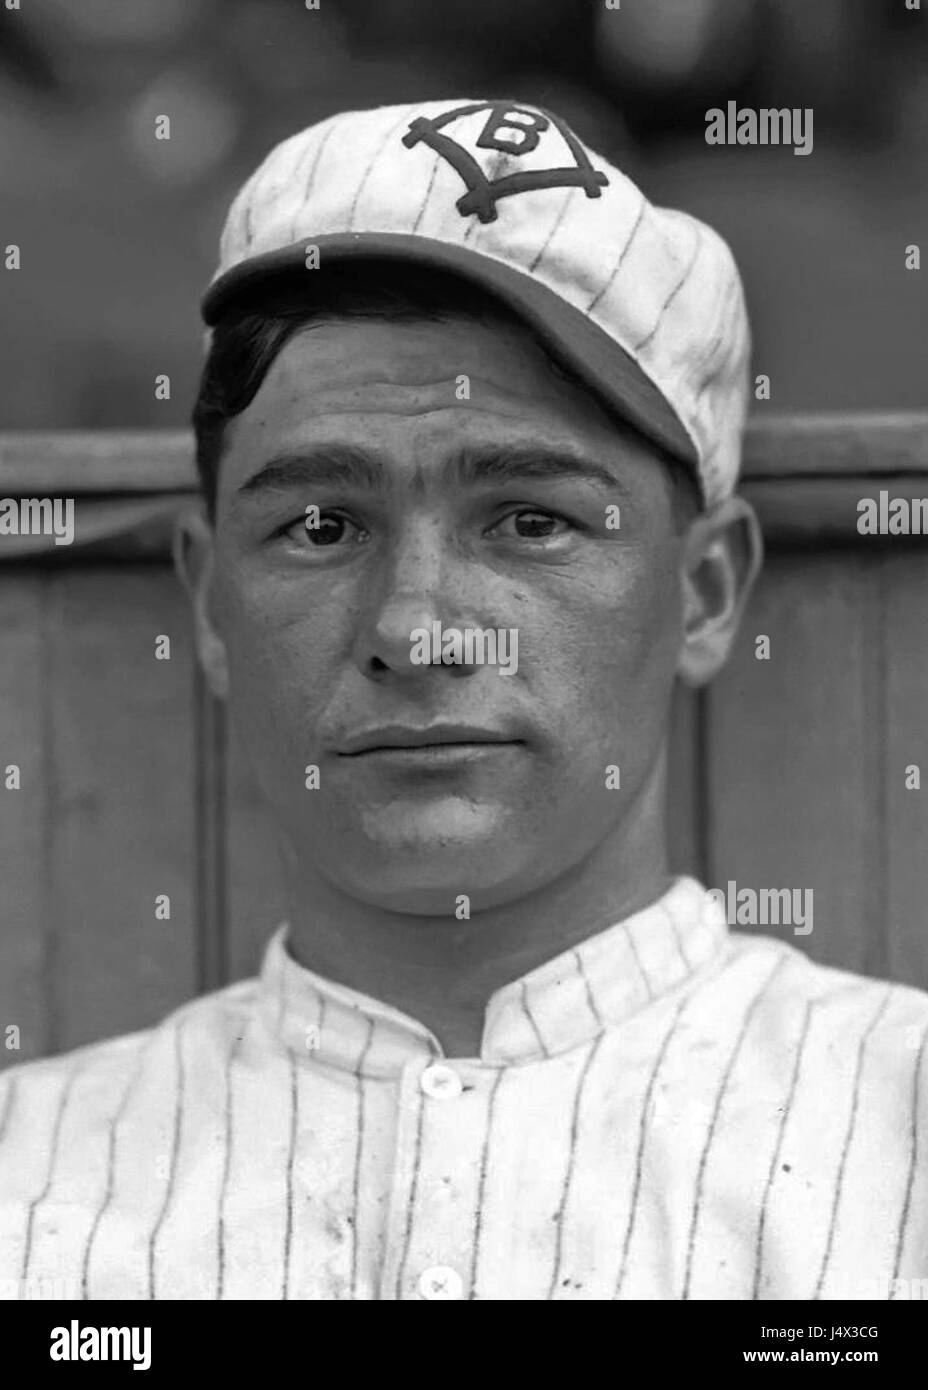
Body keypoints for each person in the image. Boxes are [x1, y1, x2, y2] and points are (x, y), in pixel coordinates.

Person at [1, 100, 925, 1302]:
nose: (418, 631)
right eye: (321, 526)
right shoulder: (27, 1183)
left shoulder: (898, 1135)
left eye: (530, 520)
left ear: (703, 593)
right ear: (211, 602)